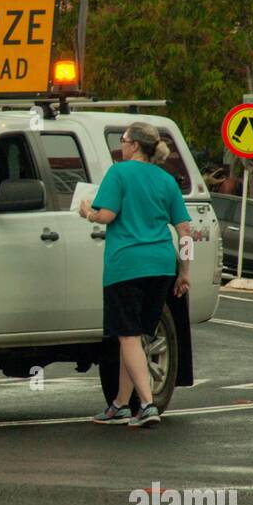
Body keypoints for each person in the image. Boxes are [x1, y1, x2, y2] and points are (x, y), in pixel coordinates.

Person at [78, 122, 192, 428]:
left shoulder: (119, 173)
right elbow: (185, 231)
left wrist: (87, 211)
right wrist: (184, 272)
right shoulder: (166, 180)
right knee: (136, 337)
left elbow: (106, 215)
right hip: (161, 267)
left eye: (124, 140)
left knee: (126, 335)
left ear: (136, 146)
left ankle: (146, 404)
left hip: (125, 265)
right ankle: (119, 405)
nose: (121, 145)